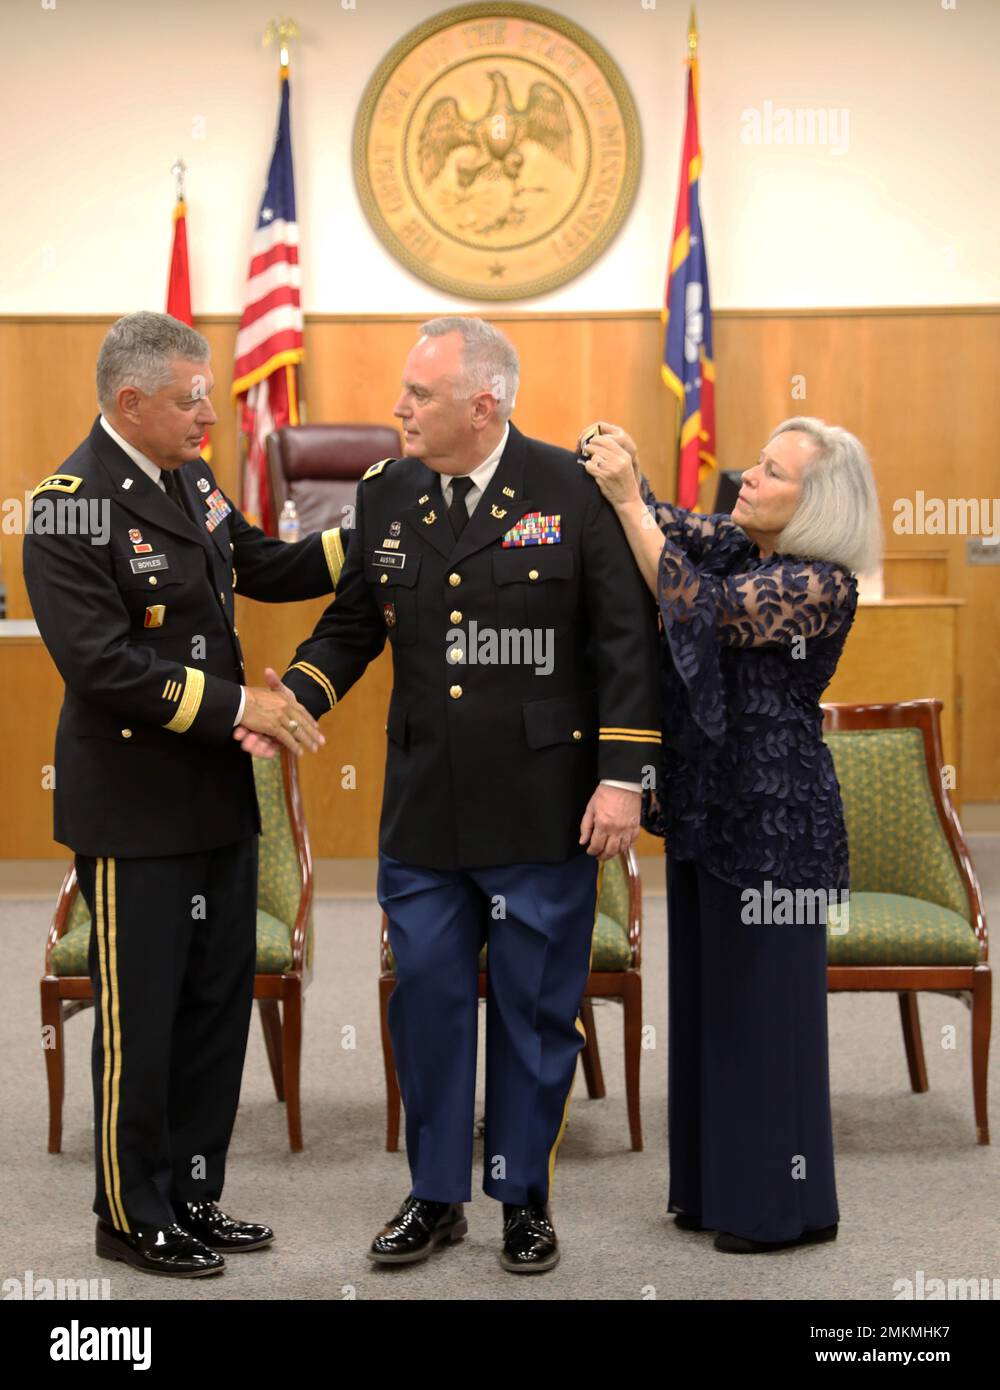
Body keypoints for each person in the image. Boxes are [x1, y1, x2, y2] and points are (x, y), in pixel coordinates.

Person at [260, 317, 661, 1273]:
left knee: (530, 1009)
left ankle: (523, 1197)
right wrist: (294, 697)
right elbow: (355, 621)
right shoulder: (389, 490)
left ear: (484, 406)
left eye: (420, 395)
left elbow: (623, 640)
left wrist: (622, 777)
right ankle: (435, 1196)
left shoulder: (573, 489)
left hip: (542, 800)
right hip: (424, 803)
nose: (397, 409)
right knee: (428, 1003)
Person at [23, 311, 339, 1277]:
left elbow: (267, 564)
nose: (211, 412)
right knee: (144, 1016)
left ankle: (194, 1195)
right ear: (129, 402)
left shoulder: (193, 478)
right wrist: (245, 701)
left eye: (207, 392)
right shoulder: (67, 505)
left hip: (214, 794)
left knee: (212, 1008)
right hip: (133, 809)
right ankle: (130, 1213)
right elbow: (106, 667)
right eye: (189, 397)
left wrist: (367, 538)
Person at [579, 416, 881, 1253]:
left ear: (814, 503)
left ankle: (777, 1209)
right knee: (711, 1002)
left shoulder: (820, 583)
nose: (746, 476)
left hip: (777, 822)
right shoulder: (737, 545)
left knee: (764, 1012)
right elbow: (667, 521)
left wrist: (633, 508)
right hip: (711, 806)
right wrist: (624, 467)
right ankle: (716, 1190)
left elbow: (700, 613)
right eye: (758, 463)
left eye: (773, 473)